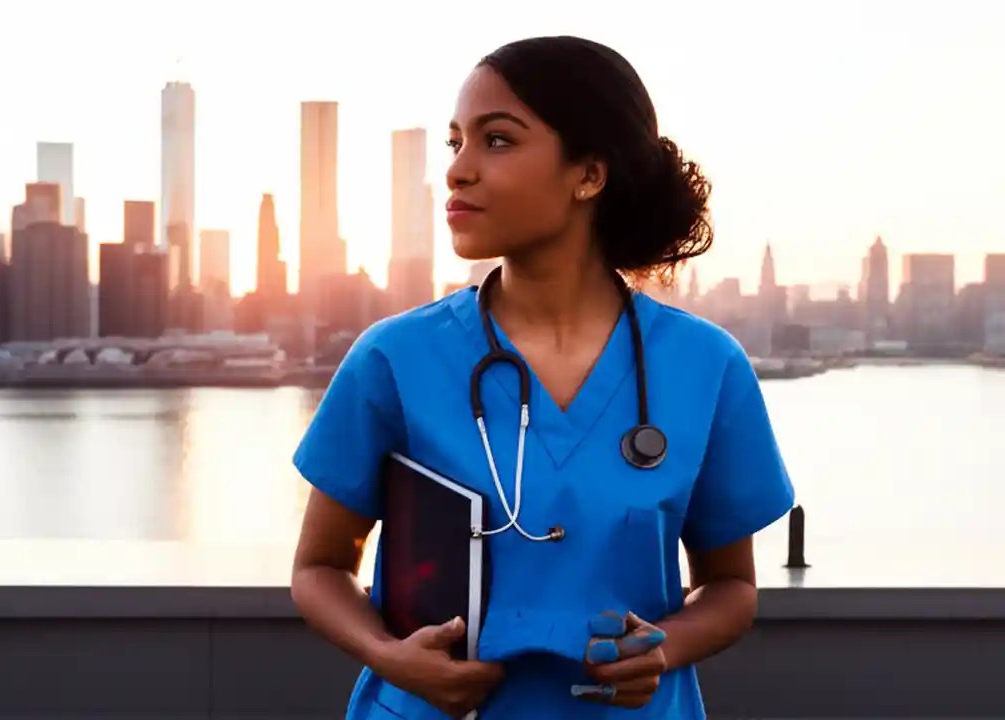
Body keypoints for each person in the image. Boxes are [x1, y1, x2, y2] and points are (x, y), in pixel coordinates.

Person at [290, 35, 795, 719]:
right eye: (455, 144)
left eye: (496, 141)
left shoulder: (705, 367)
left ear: (588, 174)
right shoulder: (394, 359)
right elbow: (319, 569)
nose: (458, 172)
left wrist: (666, 647)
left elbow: (731, 587)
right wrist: (388, 657)